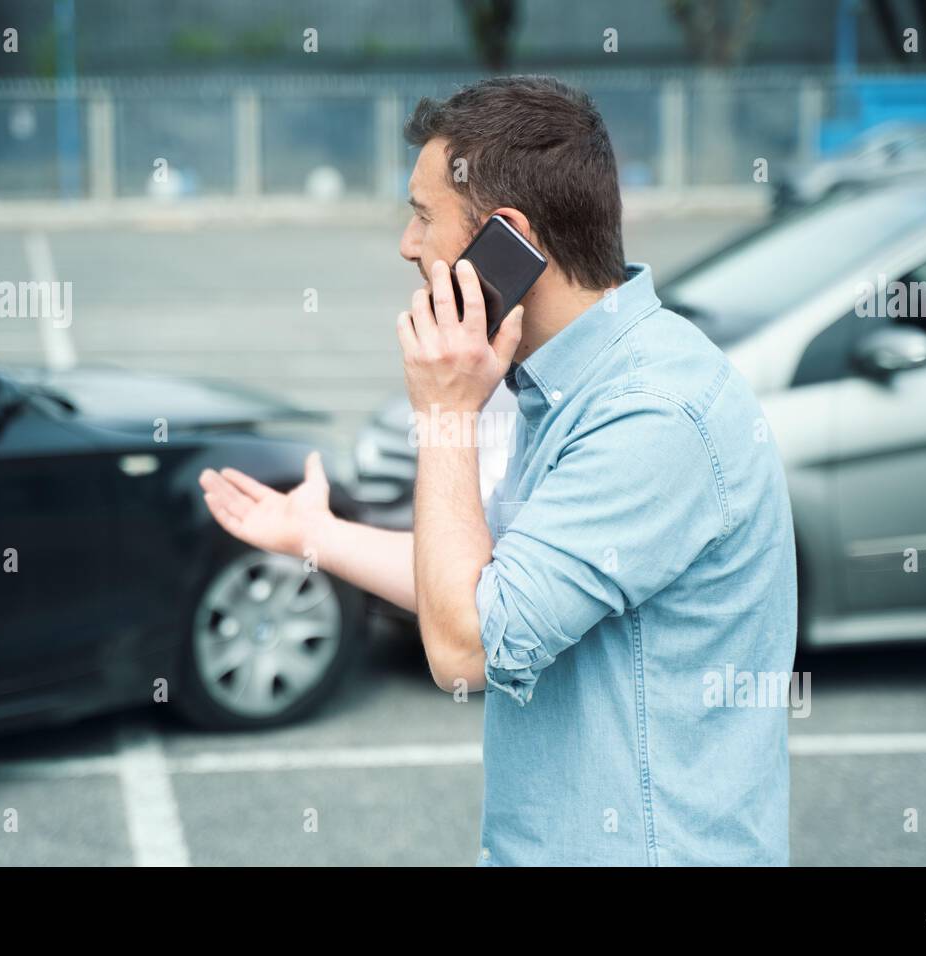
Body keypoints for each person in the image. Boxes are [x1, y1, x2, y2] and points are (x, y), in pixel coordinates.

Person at [200, 75, 797, 866]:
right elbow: (492, 589)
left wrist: (446, 410)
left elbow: (466, 646)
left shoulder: (653, 414)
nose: (407, 246)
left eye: (422, 216)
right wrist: (316, 532)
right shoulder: (562, 375)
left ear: (506, 240)